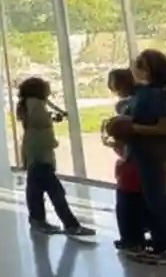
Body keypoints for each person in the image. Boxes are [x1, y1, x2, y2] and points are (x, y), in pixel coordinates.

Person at [118, 49, 166, 266]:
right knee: (149, 200)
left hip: (151, 155)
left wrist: (133, 128)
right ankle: (159, 242)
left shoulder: (161, 94)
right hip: (139, 155)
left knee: (158, 201)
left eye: (140, 65)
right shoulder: (144, 92)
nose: (134, 69)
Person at [16, 76, 94, 237]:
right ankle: (70, 224)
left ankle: (38, 220)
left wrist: (51, 116)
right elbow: (41, 123)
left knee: (35, 189)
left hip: (34, 153)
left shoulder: (29, 105)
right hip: (40, 154)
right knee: (55, 191)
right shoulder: (37, 105)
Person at [104, 68, 147, 254]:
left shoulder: (126, 105)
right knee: (139, 200)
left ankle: (131, 239)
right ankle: (138, 236)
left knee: (126, 202)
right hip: (138, 159)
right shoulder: (141, 100)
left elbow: (124, 131)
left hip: (132, 160)